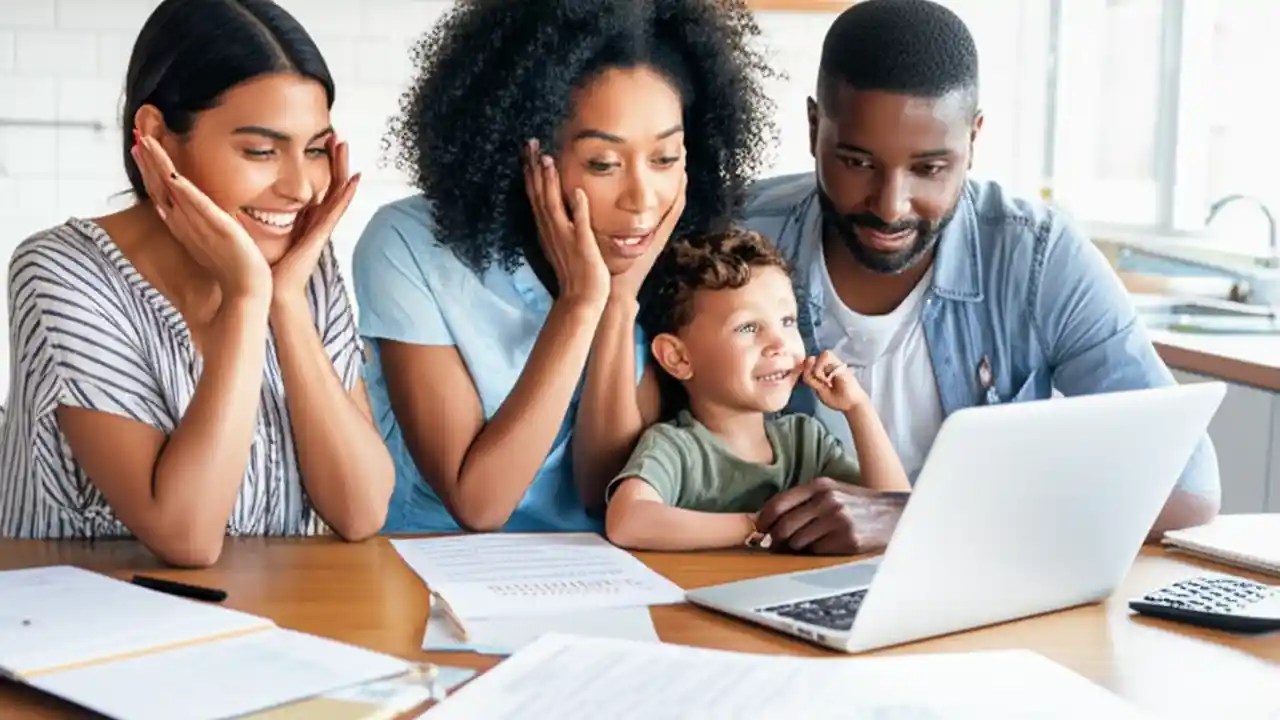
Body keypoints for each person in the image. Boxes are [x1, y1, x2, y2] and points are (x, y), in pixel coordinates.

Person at [742, 0, 1220, 555]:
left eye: (929, 168)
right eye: (859, 163)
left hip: (978, 587)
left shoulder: (1037, 258)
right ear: (813, 126)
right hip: (766, 581)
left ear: (973, 139)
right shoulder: (738, 236)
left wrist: (916, 519)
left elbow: (1188, 486)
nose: (892, 206)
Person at [353, 0, 775, 533]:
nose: (642, 200)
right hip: (427, 572)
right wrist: (579, 304)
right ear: (526, 154)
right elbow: (478, 504)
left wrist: (619, 303)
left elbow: (605, 493)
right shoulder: (408, 244)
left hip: (599, 579)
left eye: (665, 158)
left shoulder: (681, 255)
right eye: (603, 163)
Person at [0, 0, 394, 566]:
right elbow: (186, 535)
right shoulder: (60, 271)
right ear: (157, 135)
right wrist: (246, 297)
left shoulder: (303, 267)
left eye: (313, 150)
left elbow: (361, 511)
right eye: (260, 150)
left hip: (267, 622)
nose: (303, 189)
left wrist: (284, 302)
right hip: (84, 629)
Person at [605, 230, 909, 552]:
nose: (779, 344)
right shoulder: (676, 449)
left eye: (788, 321)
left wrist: (858, 408)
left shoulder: (805, 443)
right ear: (678, 357)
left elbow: (895, 516)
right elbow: (626, 522)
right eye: (748, 327)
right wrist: (758, 524)